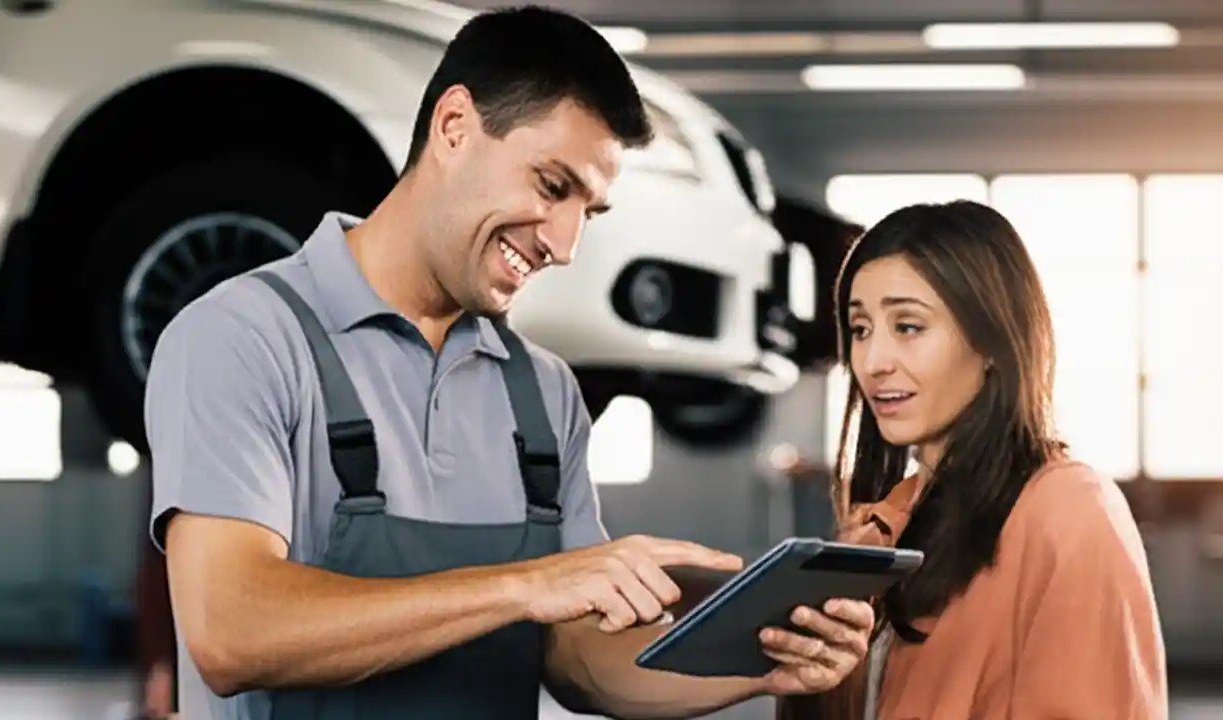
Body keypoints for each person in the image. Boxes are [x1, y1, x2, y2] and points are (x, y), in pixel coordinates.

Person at [145, 6, 876, 719]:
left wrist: (762, 662)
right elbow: (232, 632)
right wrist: (526, 584)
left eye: (587, 213)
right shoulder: (242, 338)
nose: (564, 244)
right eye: (552, 187)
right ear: (455, 127)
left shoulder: (543, 392)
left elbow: (578, 659)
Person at [780, 200, 1167, 720]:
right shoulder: (870, 533)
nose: (873, 362)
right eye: (861, 329)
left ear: (991, 341)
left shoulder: (1069, 508)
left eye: (909, 327)